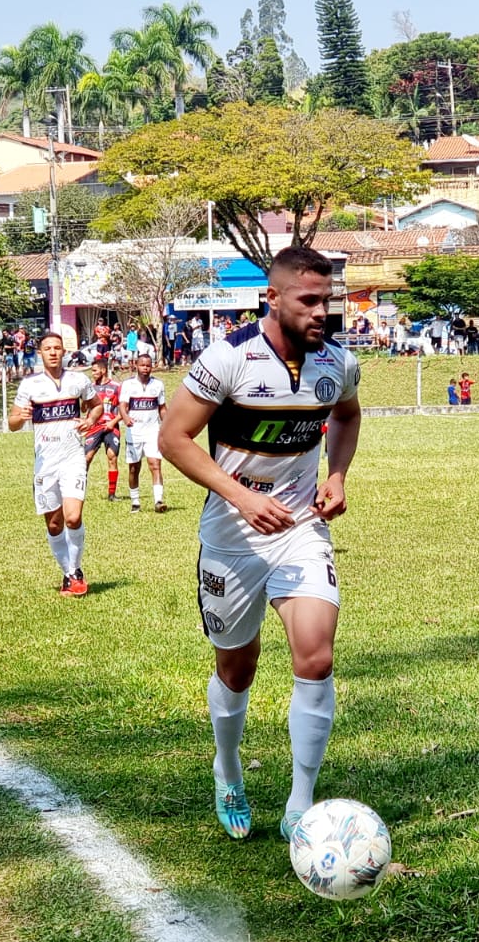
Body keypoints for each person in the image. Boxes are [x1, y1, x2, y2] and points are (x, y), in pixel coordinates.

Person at [159, 245, 363, 842]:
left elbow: (347, 417)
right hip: (232, 536)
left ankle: (301, 804)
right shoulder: (228, 360)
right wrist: (241, 496)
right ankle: (227, 770)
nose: (322, 312)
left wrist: (337, 474)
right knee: (237, 667)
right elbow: (174, 439)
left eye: (327, 300)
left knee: (316, 656)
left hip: (300, 529)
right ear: (270, 298)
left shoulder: (338, 364)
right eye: (308, 301)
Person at [8, 331, 102, 595]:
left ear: (63, 352)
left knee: (73, 517)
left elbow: (97, 406)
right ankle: (67, 573)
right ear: (40, 353)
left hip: (73, 457)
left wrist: (90, 420)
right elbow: (12, 423)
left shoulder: (78, 380)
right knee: (54, 524)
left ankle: (75, 571)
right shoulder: (29, 385)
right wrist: (22, 417)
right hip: (45, 463)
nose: (52, 352)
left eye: (57, 348)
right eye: (47, 348)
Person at [120, 352, 168, 512]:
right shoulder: (128, 385)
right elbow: (122, 406)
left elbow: (162, 408)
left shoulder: (158, 385)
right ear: (136, 366)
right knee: (134, 468)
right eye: (142, 365)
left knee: (155, 464)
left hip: (153, 431)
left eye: (148, 365)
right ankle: (135, 501)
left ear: (152, 367)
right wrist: (126, 418)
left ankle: (159, 501)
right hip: (134, 432)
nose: (145, 368)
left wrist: (167, 424)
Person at [83, 357, 123, 502]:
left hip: (111, 426)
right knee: (86, 458)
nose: (92, 373)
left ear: (103, 370)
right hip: (95, 426)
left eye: (95, 370)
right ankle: (79, 492)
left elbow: (124, 409)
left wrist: (114, 422)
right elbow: (83, 408)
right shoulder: (90, 388)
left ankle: (112, 494)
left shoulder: (116, 387)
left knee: (112, 457)